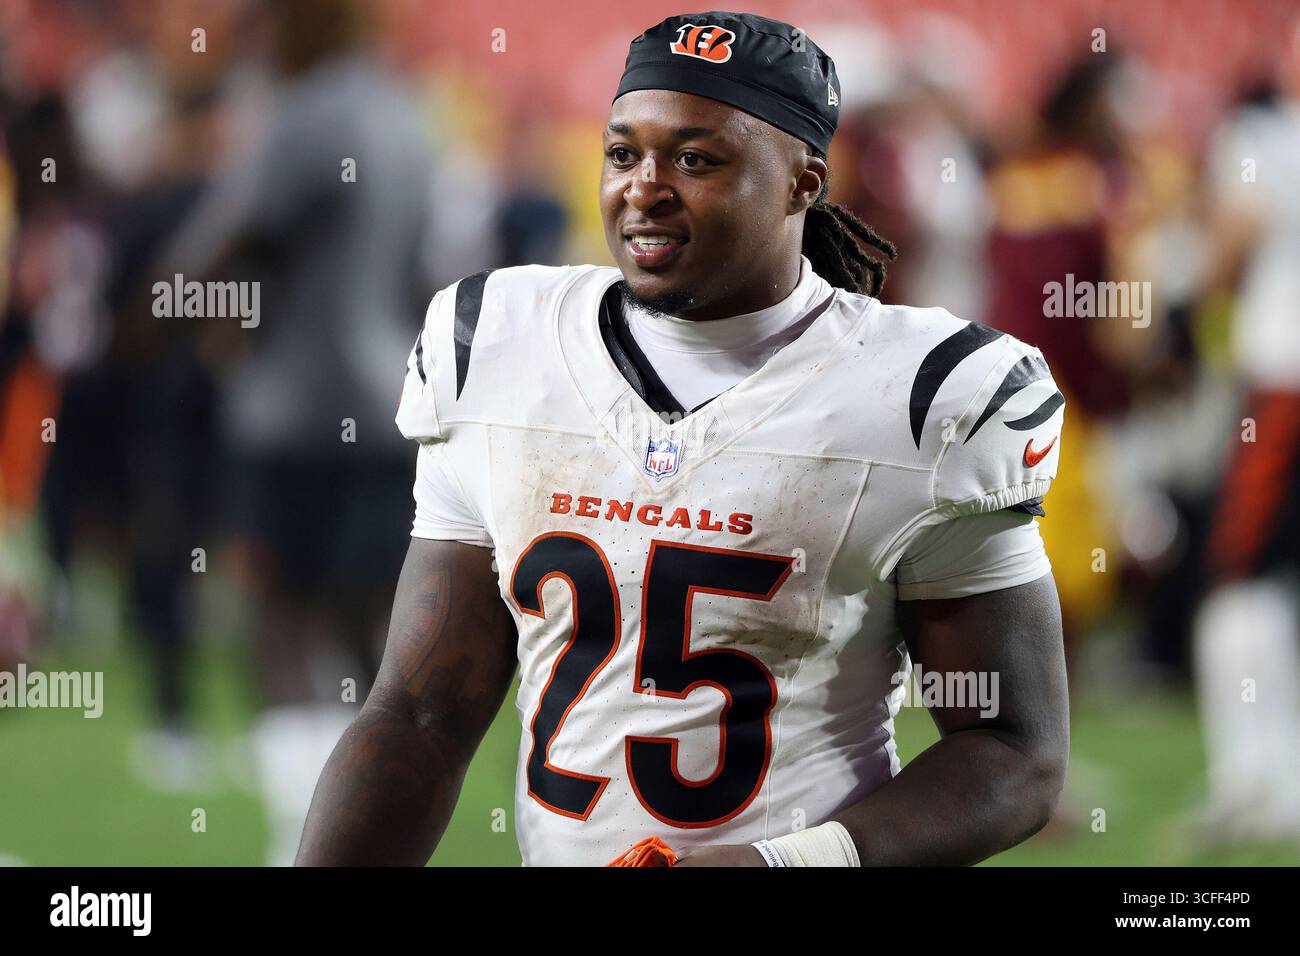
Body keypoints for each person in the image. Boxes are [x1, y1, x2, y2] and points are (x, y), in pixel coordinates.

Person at [297, 11, 1069, 867]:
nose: (645, 186)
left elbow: (1013, 750)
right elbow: (419, 713)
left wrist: (784, 865)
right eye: (624, 153)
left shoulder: (923, 395)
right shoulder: (497, 346)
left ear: (802, 183)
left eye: (696, 159)